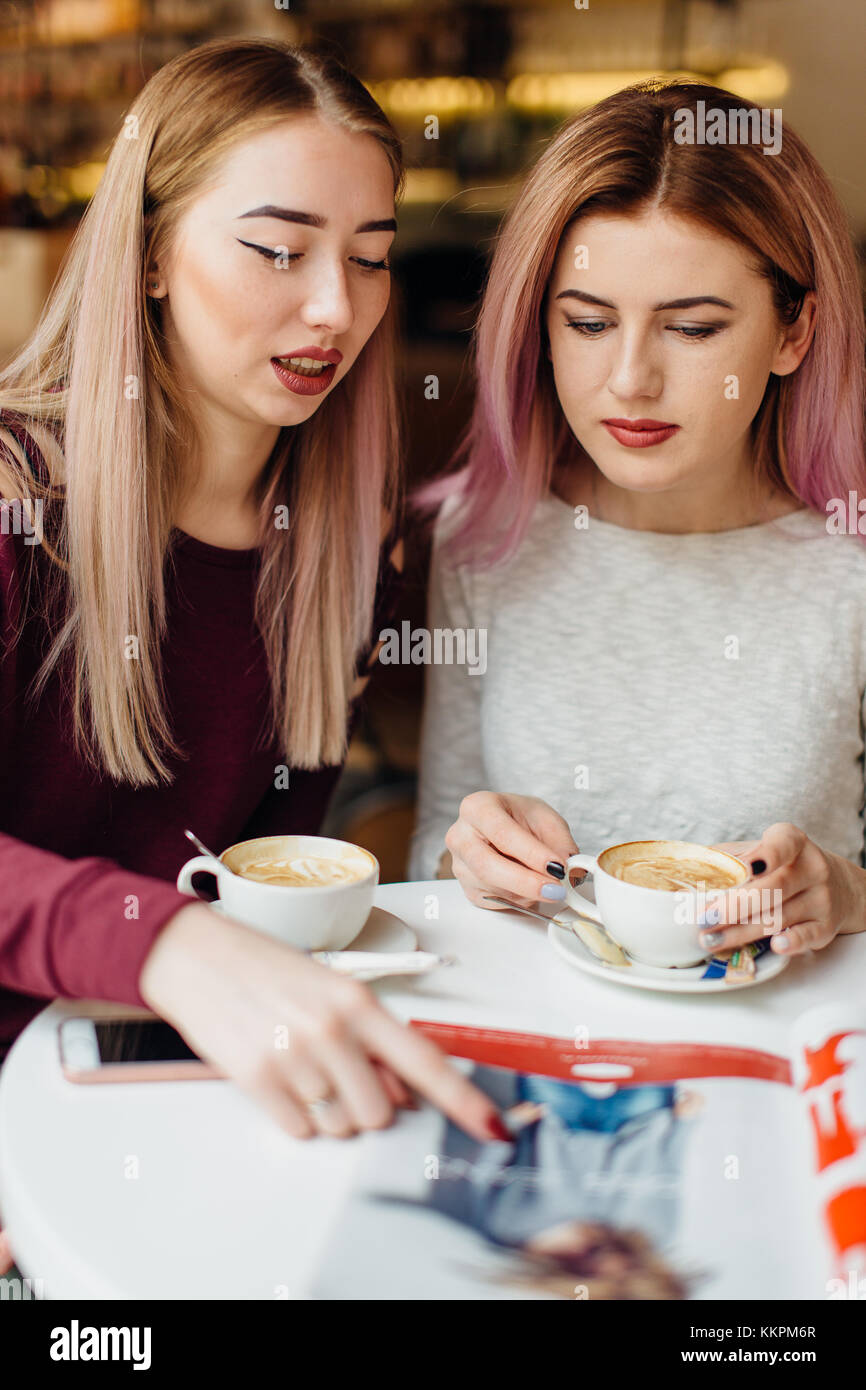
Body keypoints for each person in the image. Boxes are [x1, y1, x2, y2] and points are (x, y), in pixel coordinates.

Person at [0, 36, 507, 1177]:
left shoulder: (342, 543)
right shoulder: (14, 504)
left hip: (178, 1097)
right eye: (279, 249)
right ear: (147, 257)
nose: (335, 306)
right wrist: (163, 940)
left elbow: (262, 864)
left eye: (372, 259)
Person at [409, 80, 866, 962]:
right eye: (587, 323)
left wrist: (845, 892)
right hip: (545, 1060)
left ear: (793, 331)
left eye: (691, 329)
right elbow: (438, 839)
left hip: (793, 1063)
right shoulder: (484, 539)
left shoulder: (847, 562)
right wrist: (464, 856)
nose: (629, 380)